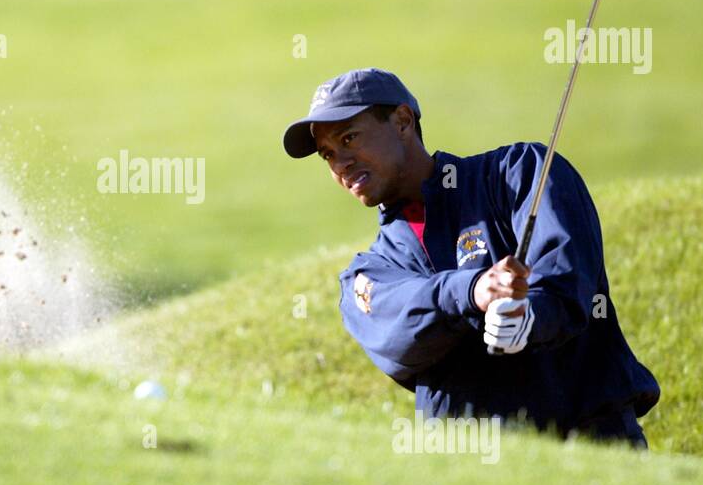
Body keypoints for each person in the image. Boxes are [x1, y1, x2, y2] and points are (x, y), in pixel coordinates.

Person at [282, 68, 659, 447]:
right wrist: (472, 291)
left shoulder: (519, 173)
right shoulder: (368, 274)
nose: (340, 164)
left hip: (594, 448)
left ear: (401, 121)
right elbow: (398, 341)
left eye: (349, 138)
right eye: (328, 154)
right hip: (471, 475)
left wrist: (530, 317)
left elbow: (568, 279)